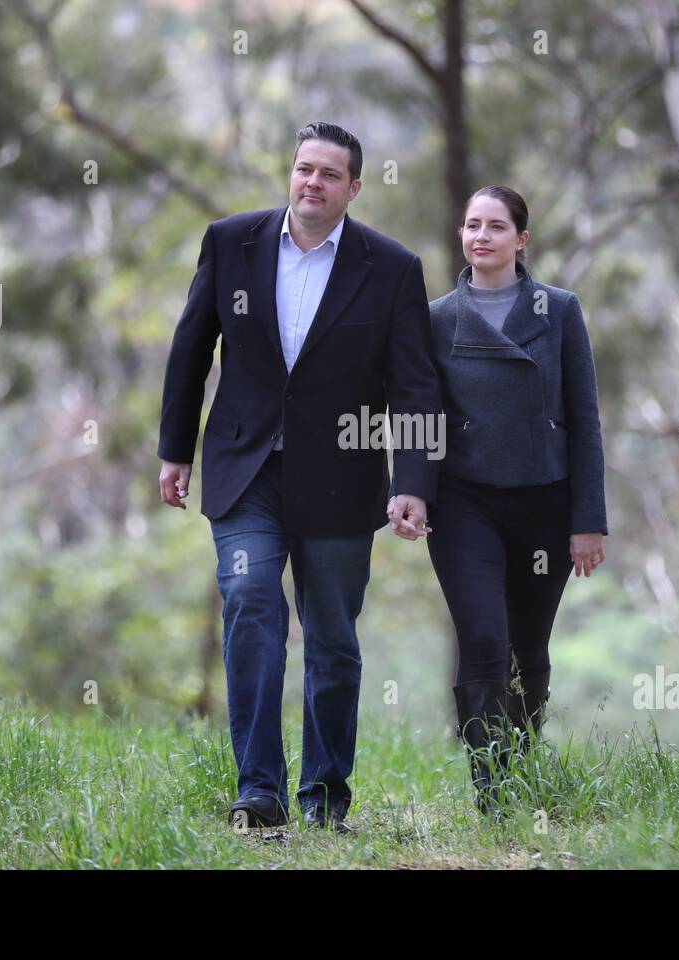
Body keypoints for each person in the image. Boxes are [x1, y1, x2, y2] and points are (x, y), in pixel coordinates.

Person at [158, 121, 441, 834]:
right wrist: (175, 451)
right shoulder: (232, 243)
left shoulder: (392, 268)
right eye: (303, 169)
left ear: (353, 187)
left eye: (328, 174)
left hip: (342, 481)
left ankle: (324, 798)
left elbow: (414, 386)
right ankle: (259, 791)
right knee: (251, 602)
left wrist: (412, 481)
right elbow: (191, 348)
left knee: (333, 638)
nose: (311, 183)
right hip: (244, 468)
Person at [418, 185, 607, 816]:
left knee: (528, 649)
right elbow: (420, 414)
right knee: (483, 640)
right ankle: (491, 789)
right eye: (472, 225)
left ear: (521, 240)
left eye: (496, 227)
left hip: (544, 503)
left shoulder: (560, 311)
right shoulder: (438, 318)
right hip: (464, 503)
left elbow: (584, 419)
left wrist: (588, 522)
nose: (481, 237)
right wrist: (411, 489)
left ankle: (520, 764)